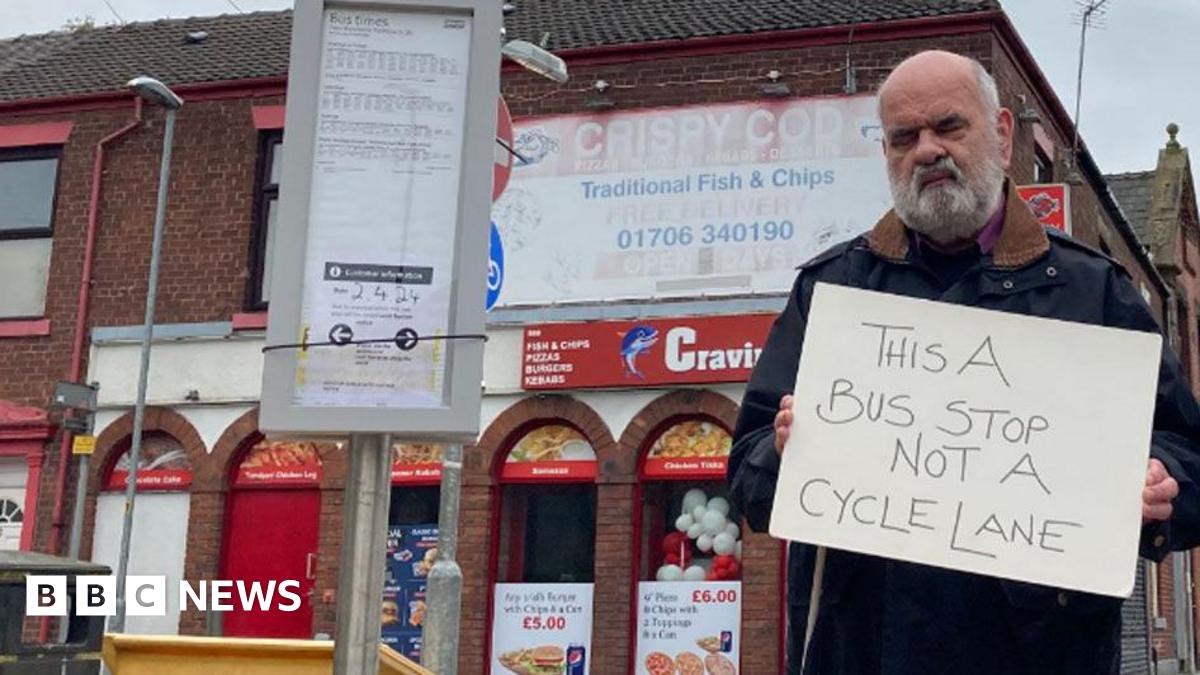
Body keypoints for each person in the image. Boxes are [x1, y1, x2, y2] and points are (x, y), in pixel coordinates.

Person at [727, 49, 1200, 675]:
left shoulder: (1094, 292)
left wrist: (1166, 484)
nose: (927, 150)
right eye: (904, 137)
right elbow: (746, 474)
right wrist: (781, 452)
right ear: (887, 154)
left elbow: (1187, 453)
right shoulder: (833, 290)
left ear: (1003, 136)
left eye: (949, 127)